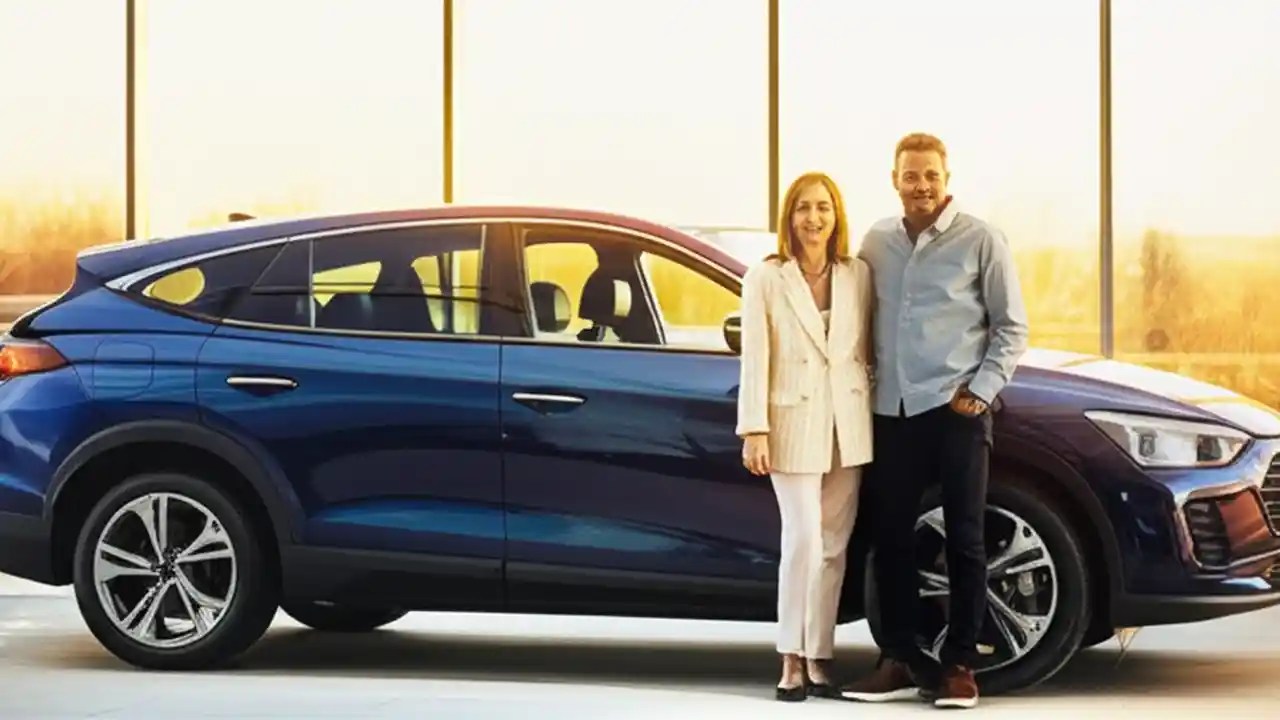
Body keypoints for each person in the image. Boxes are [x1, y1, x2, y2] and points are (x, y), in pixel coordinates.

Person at [839, 133, 1028, 710]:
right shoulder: (876, 241)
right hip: (891, 412)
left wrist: (980, 392)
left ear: (947, 178)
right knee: (889, 539)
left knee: (966, 539)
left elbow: (1012, 327)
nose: (921, 186)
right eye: (910, 176)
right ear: (894, 179)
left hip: (954, 414)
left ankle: (960, 666)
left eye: (931, 176)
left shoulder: (981, 240)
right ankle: (897, 658)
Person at [736, 171, 875, 702]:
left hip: (848, 421)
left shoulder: (856, 274)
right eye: (802, 208)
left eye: (823, 208)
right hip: (790, 421)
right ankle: (789, 657)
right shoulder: (766, 278)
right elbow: (756, 359)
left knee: (835, 547)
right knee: (803, 540)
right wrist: (755, 429)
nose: (813, 218)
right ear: (788, 218)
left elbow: (865, 350)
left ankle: (820, 655)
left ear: (836, 215)